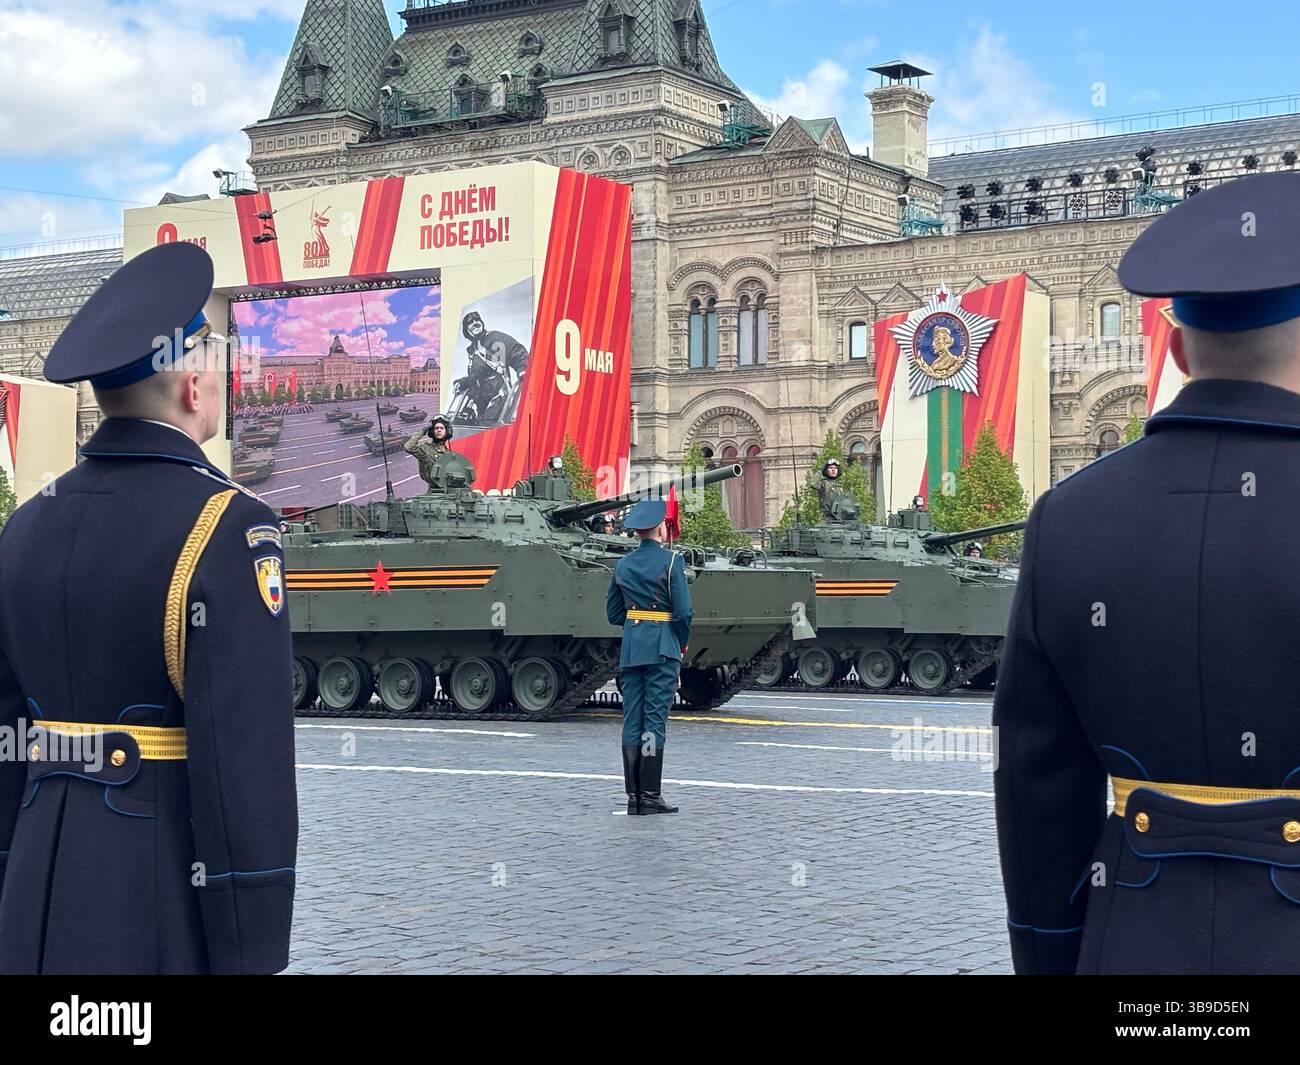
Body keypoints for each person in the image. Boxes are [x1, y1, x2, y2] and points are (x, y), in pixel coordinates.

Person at [994, 170, 1300, 975]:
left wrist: (1052, 957)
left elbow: (1036, 786)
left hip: (1134, 948)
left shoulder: (1067, 518)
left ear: (1170, 346)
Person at [0, 241, 297, 974]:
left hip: (32, 896)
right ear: (193, 385)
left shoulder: (25, 525)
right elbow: (243, 768)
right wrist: (250, 944)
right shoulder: (228, 527)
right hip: (154, 900)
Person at [605, 498, 692, 816]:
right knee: (654, 720)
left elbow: (613, 613)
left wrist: (636, 620)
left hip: (632, 648)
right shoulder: (672, 562)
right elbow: (683, 612)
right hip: (662, 647)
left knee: (632, 720)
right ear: (660, 528)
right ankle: (651, 796)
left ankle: (634, 798)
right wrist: (680, 643)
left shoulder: (623, 565)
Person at [404, 414, 455, 489]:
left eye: (442, 428)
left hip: (449, 491)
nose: (439, 430)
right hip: (434, 491)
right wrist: (422, 431)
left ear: (447, 431)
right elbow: (408, 447)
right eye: (436, 428)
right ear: (432, 431)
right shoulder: (426, 450)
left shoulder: (448, 453)